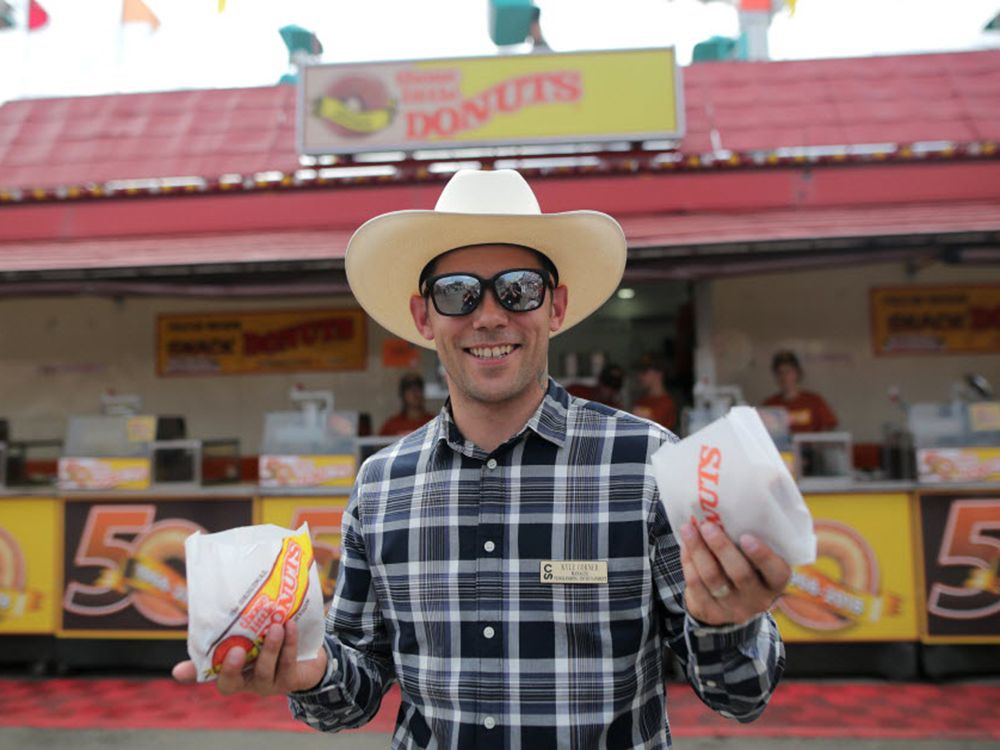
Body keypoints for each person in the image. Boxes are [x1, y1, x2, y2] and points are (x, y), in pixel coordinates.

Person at [172, 169, 791, 749]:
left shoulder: (649, 465)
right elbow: (354, 690)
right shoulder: (381, 486)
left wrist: (727, 626)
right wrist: (309, 674)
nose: (490, 316)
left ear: (555, 307)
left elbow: (741, 697)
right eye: (457, 293)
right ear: (424, 316)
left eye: (519, 290)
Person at [763, 350, 838, 433]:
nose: (784, 376)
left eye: (788, 371)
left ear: (797, 373)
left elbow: (830, 426)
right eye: (780, 372)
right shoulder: (769, 404)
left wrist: (817, 438)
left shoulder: (814, 401)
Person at [632, 351, 677, 431]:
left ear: (659, 373)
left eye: (644, 371)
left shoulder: (667, 403)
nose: (639, 376)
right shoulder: (640, 401)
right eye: (639, 371)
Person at [378, 372, 434, 436]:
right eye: (410, 390)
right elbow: (378, 441)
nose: (415, 393)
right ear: (402, 395)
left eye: (418, 389)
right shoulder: (392, 425)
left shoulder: (433, 423)